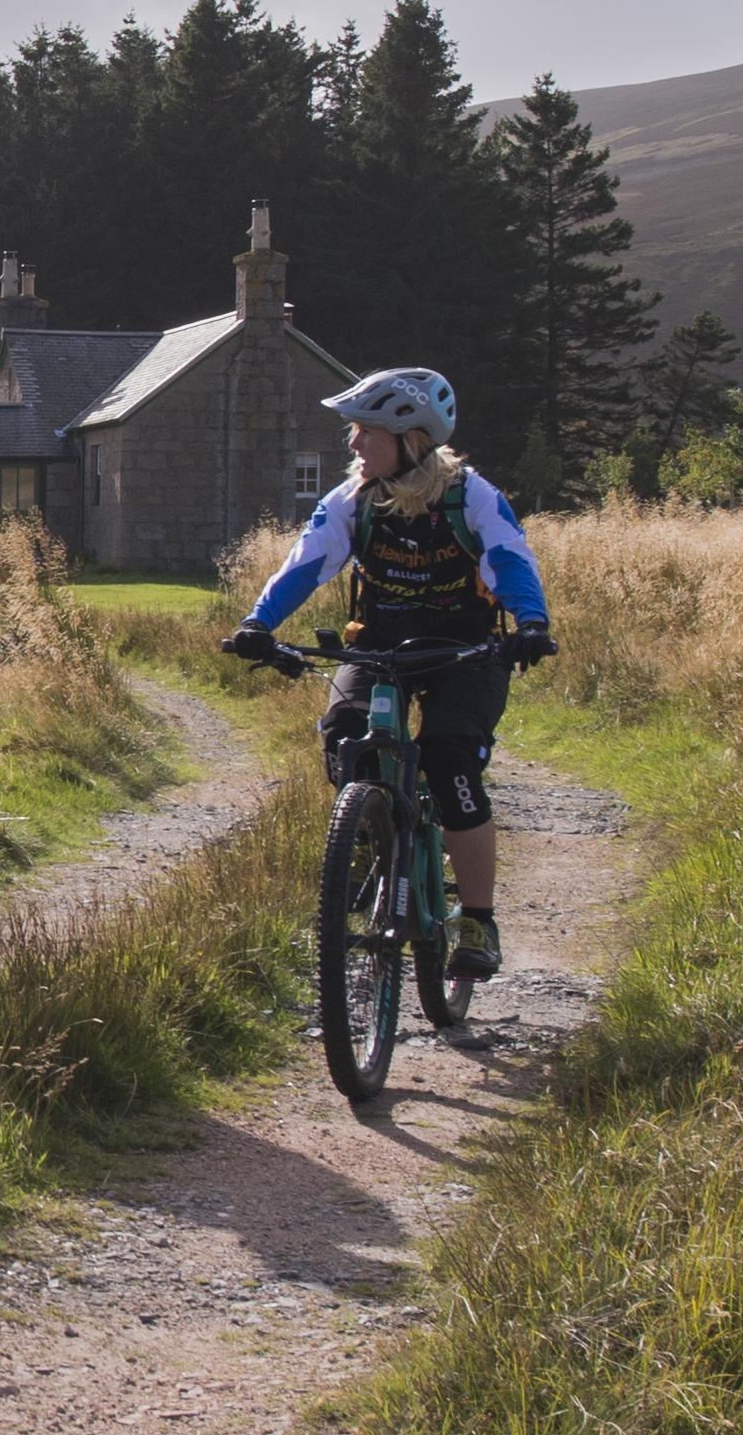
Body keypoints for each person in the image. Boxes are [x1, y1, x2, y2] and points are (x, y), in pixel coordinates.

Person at [219, 366, 555, 980]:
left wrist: (530, 623)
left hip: (465, 651)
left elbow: (509, 558)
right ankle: (371, 840)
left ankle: (478, 920)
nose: (352, 444)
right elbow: (305, 565)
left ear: (413, 439)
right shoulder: (352, 500)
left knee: (452, 764)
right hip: (378, 646)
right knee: (347, 737)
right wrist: (258, 624)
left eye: (365, 431)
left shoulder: (470, 495)